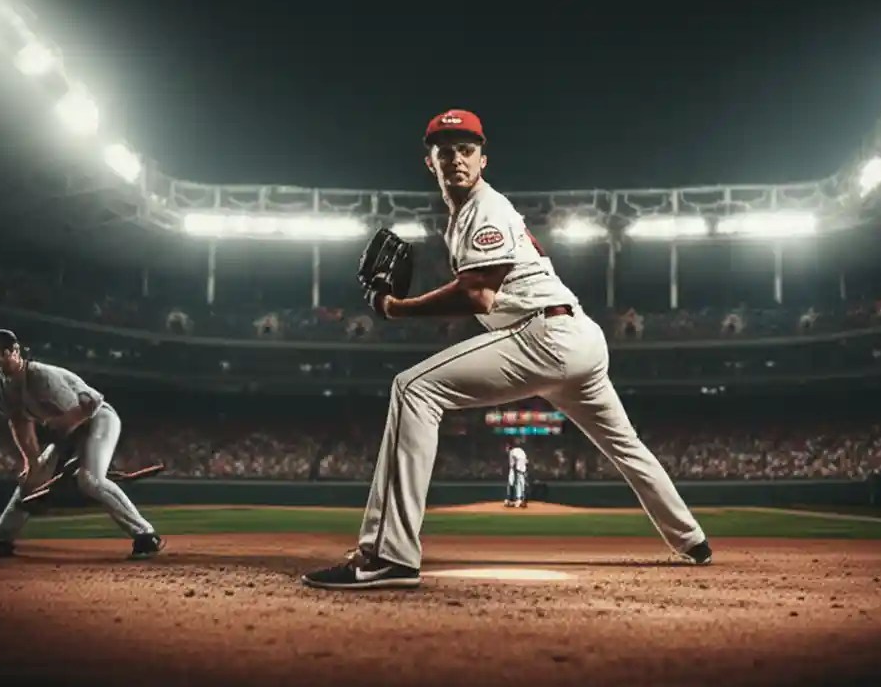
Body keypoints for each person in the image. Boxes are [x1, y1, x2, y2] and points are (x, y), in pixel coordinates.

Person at [301, 110, 711, 590]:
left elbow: (478, 295)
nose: (457, 157)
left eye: (467, 149)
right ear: (428, 161)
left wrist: (396, 308)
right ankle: (692, 539)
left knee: (412, 390)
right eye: (446, 149)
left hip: (546, 337)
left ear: (483, 159)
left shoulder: (485, 207)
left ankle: (388, 556)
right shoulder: (463, 217)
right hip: (574, 340)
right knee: (626, 446)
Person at [0, 329, 164, 560]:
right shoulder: (0, 385)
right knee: (31, 480)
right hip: (66, 431)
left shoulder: (40, 377)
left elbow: (83, 410)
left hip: (97, 418)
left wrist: (73, 458)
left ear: (16, 352)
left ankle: (146, 536)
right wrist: (32, 462)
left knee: (90, 480)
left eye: (4, 353)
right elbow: (19, 423)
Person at [504, 439, 528, 508]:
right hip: (522, 470)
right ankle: (519, 500)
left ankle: (514, 500)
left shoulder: (512, 452)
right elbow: (525, 461)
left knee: (514, 484)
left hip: (517, 470)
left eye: (507, 447)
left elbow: (514, 462)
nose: (506, 448)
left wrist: (516, 470)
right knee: (521, 485)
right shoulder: (521, 451)